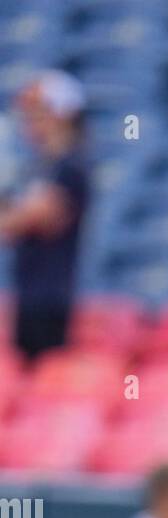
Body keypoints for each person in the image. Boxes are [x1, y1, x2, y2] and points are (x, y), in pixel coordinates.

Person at [0, 71, 90, 359]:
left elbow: (30, 217)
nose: (30, 122)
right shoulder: (40, 167)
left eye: (39, 113)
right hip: (30, 294)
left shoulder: (71, 166)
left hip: (51, 299)